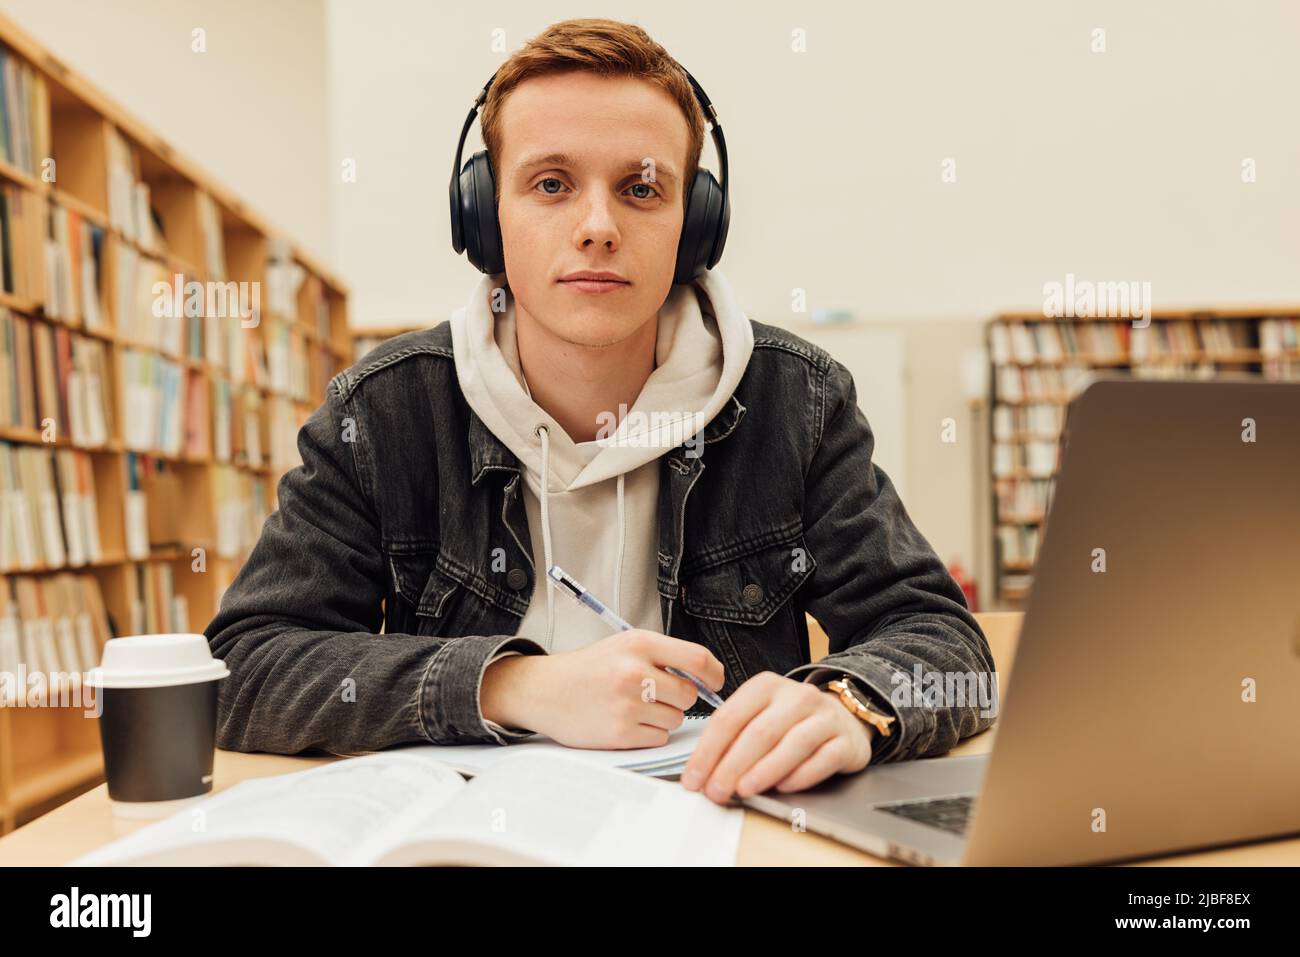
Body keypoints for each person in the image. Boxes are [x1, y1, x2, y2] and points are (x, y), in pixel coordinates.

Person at [205, 17, 995, 806]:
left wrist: (852, 703)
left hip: (723, 829)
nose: (597, 228)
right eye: (551, 183)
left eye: (641, 188)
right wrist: (515, 685)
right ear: (483, 216)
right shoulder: (383, 412)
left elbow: (946, 643)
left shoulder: (797, 402)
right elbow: (243, 666)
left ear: (697, 226)